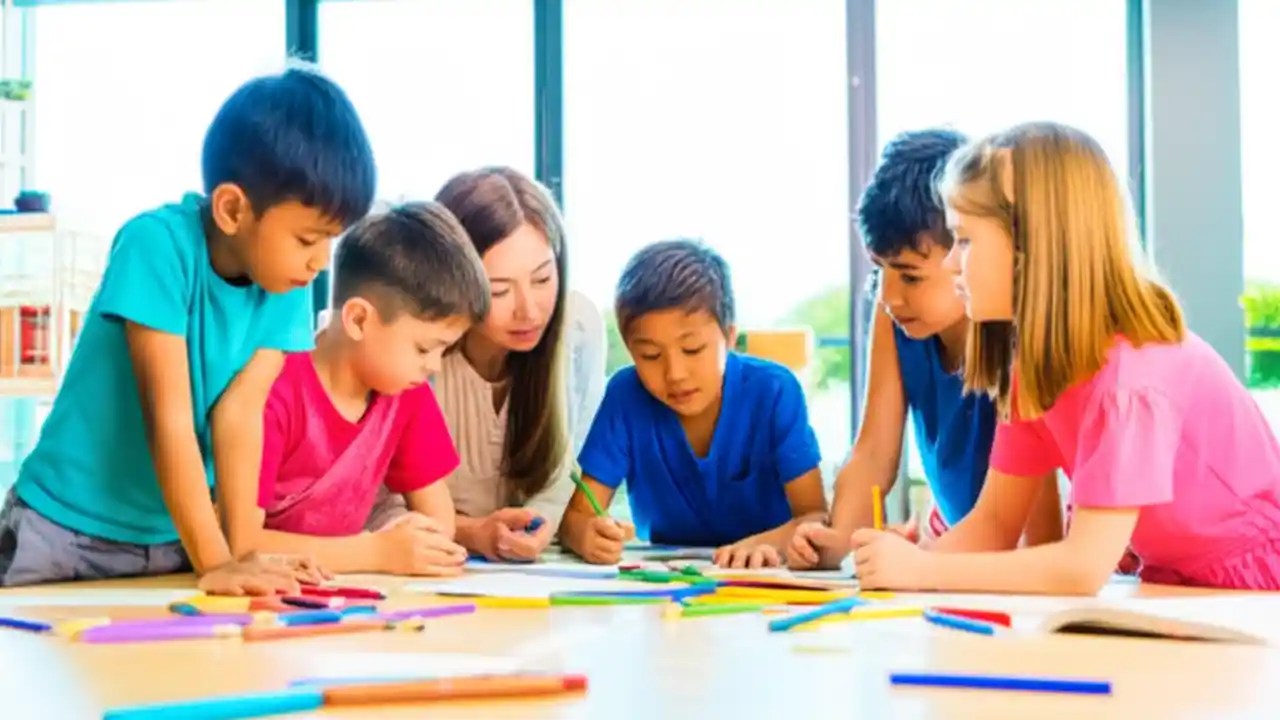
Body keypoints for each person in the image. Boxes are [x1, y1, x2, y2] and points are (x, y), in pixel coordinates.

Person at [852, 121, 1280, 593]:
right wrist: (908, 562)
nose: (952, 262)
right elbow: (994, 523)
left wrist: (922, 570)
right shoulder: (1034, 372)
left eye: (966, 241)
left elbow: (1081, 569)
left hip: (1256, 587)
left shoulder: (1129, 374)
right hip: (1181, 582)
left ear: (1031, 247)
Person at [0, 66, 376, 593]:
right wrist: (217, 563)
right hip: (61, 529)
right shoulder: (155, 246)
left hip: (172, 540)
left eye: (332, 240)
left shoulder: (287, 283)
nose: (320, 261)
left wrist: (242, 557)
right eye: (308, 238)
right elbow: (168, 420)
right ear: (231, 209)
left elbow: (241, 418)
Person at [787, 129, 1062, 571]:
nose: (891, 296)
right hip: (958, 542)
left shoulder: (1016, 337)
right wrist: (838, 541)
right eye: (880, 272)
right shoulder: (893, 310)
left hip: (1014, 557)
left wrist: (925, 562)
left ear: (966, 250)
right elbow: (874, 451)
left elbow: (1040, 540)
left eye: (910, 276)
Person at [222, 202, 488, 576]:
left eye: (445, 349)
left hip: (344, 597)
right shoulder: (273, 390)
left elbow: (438, 520)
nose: (434, 366)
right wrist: (377, 554)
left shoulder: (406, 391)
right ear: (359, 319)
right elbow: (240, 544)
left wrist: (415, 541)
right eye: (425, 348)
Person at [562, 239, 828, 567]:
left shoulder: (774, 391)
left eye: (692, 350)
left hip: (768, 581)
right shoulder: (626, 396)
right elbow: (576, 517)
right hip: (666, 591)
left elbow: (816, 517)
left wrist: (763, 544)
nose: (675, 374)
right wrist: (587, 535)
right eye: (650, 356)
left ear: (729, 337)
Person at [423, 167, 579, 562]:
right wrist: (473, 533)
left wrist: (537, 528)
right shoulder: (418, 352)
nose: (529, 310)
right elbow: (381, 506)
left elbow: (559, 486)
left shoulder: (579, 332)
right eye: (499, 290)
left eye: (543, 279)